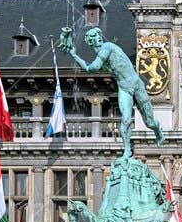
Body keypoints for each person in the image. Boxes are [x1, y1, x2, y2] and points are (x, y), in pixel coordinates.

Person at [59, 25, 164, 158]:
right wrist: (74, 55)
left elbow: (93, 67)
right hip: (124, 88)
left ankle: (158, 131)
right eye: (94, 37)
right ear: (90, 41)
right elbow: (88, 68)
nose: (98, 38)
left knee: (150, 123)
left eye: (98, 35)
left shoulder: (107, 47)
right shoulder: (103, 61)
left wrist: (76, 56)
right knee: (125, 121)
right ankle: (127, 151)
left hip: (136, 85)